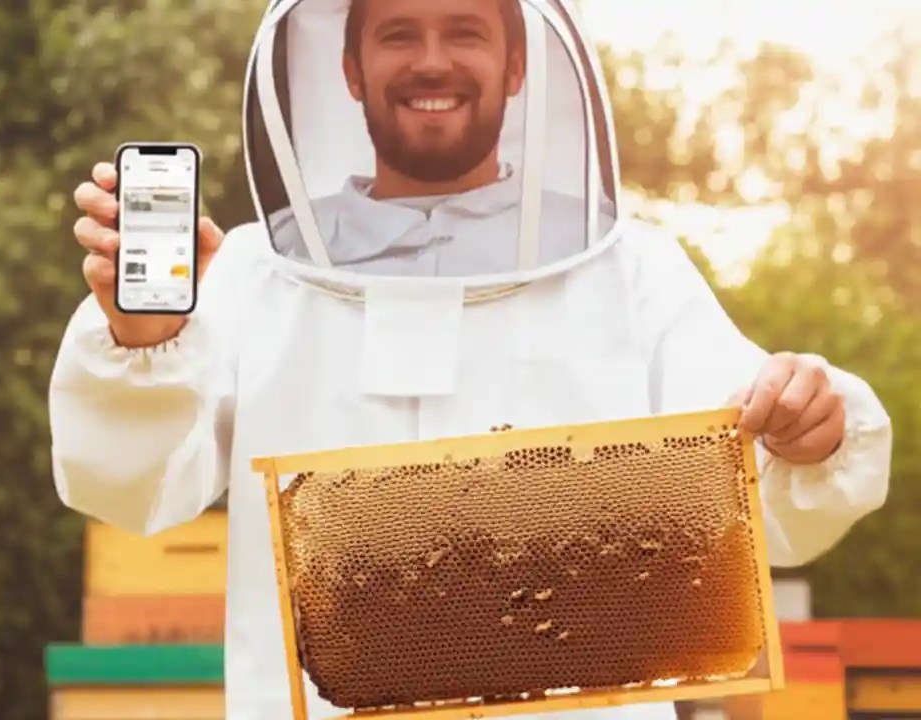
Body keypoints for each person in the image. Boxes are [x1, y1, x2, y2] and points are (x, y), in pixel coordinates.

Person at [52, 0, 892, 718]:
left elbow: (763, 489)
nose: (431, 61)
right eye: (397, 34)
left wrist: (811, 427)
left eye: (464, 31)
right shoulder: (247, 274)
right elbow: (129, 487)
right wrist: (142, 342)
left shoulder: (628, 270)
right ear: (348, 69)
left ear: (518, 63)